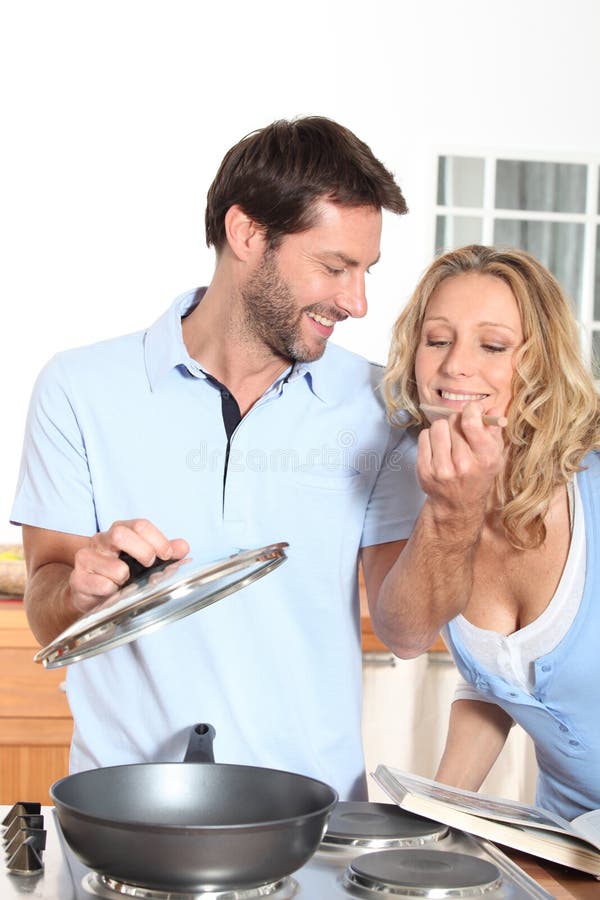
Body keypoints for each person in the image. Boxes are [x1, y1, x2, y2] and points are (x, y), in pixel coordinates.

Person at [11, 116, 426, 800]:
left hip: (309, 818)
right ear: (247, 234)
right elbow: (48, 610)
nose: (357, 301)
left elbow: (405, 632)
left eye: (365, 271)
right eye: (335, 267)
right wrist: (81, 588)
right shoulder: (79, 388)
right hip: (125, 807)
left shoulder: (380, 406)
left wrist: (459, 509)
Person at [382, 243, 600, 820]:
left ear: (540, 363)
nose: (455, 366)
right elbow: (497, 680)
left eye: (493, 346)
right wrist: (433, 817)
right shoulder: (430, 483)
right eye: (437, 340)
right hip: (571, 838)